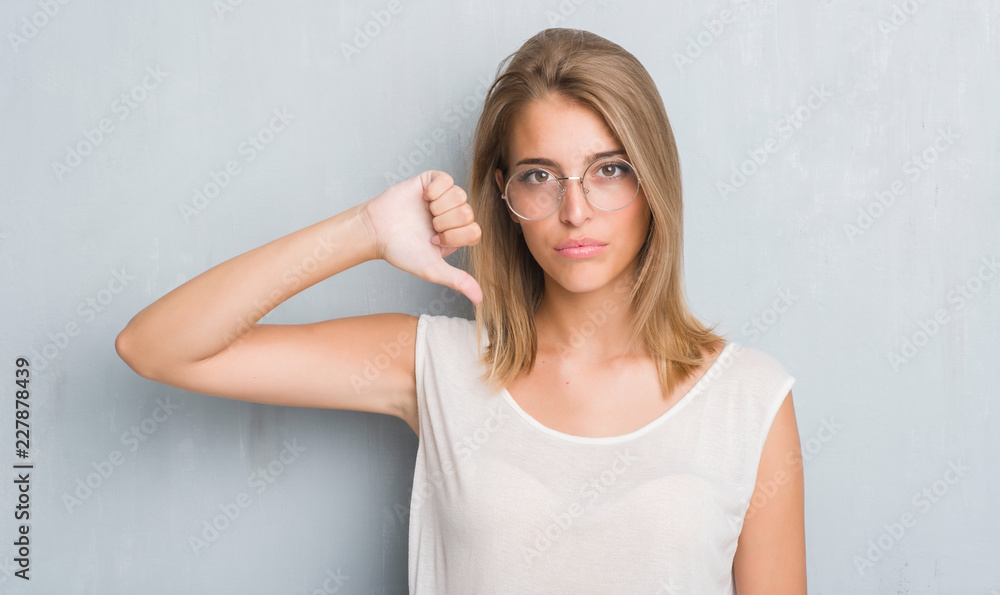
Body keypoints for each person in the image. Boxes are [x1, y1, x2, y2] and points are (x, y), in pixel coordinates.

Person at [116, 27, 806, 595]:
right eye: (540, 175)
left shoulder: (749, 398)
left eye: (608, 169)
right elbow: (159, 346)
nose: (575, 209)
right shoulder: (436, 366)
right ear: (503, 193)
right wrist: (364, 229)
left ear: (653, 179)